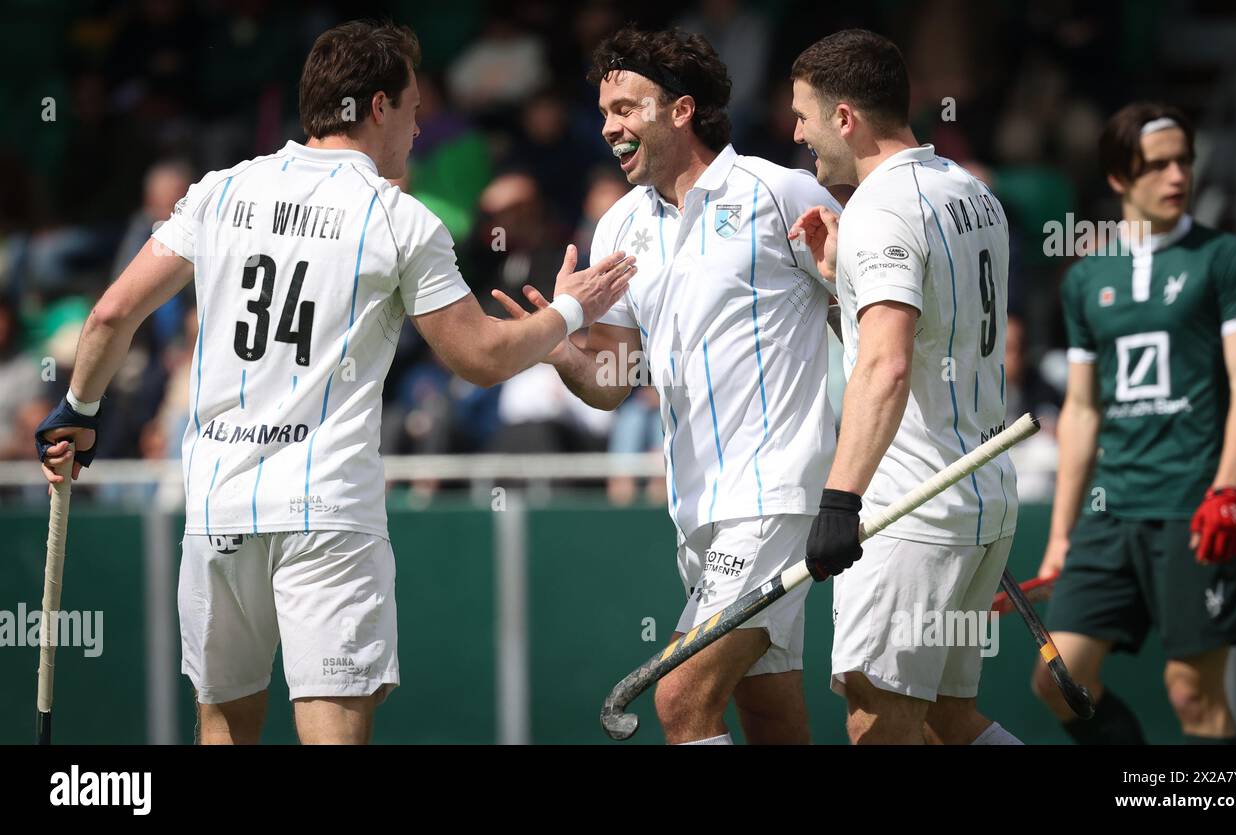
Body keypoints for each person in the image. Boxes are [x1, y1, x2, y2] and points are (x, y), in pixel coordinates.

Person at [33, 20, 634, 745]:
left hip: (219, 507)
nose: (418, 131)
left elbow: (107, 317)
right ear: (378, 108)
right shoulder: (399, 219)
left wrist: (78, 410)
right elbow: (481, 358)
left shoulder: (222, 190)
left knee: (224, 733)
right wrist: (573, 307)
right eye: (413, 111)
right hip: (326, 513)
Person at [495, 26, 839, 744]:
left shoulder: (782, 192)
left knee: (680, 699)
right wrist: (561, 343)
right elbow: (614, 383)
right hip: (696, 512)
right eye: (603, 111)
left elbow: (862, 314)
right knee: (771, 715)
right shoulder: (618, 225)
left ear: (681, 111)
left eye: (626, 107)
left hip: (776, 495)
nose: (609, 126)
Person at [788, 29, 1022, 744]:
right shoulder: (972, 191)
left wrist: (839, 499)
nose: (797, 133)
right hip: (983, 498)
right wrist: (842, 285)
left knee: (877, 718)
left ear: (846, 117)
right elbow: (923, 338)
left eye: (803, 115)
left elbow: (886, 364)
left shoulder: (878, 208)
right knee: (948, 722)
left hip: (910, 508)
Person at [1034, 102, 1236, 745]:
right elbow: (1081, 410)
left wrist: (1226, 489)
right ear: (1117, 177)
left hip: (1194, 505)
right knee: (1059, 682)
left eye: (1183, 161)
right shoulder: (1085, 279)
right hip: (1111, 515)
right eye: (1156, 165)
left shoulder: (1225, 257)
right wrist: (1060, 536)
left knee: (1193, 694)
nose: (1176, 176)